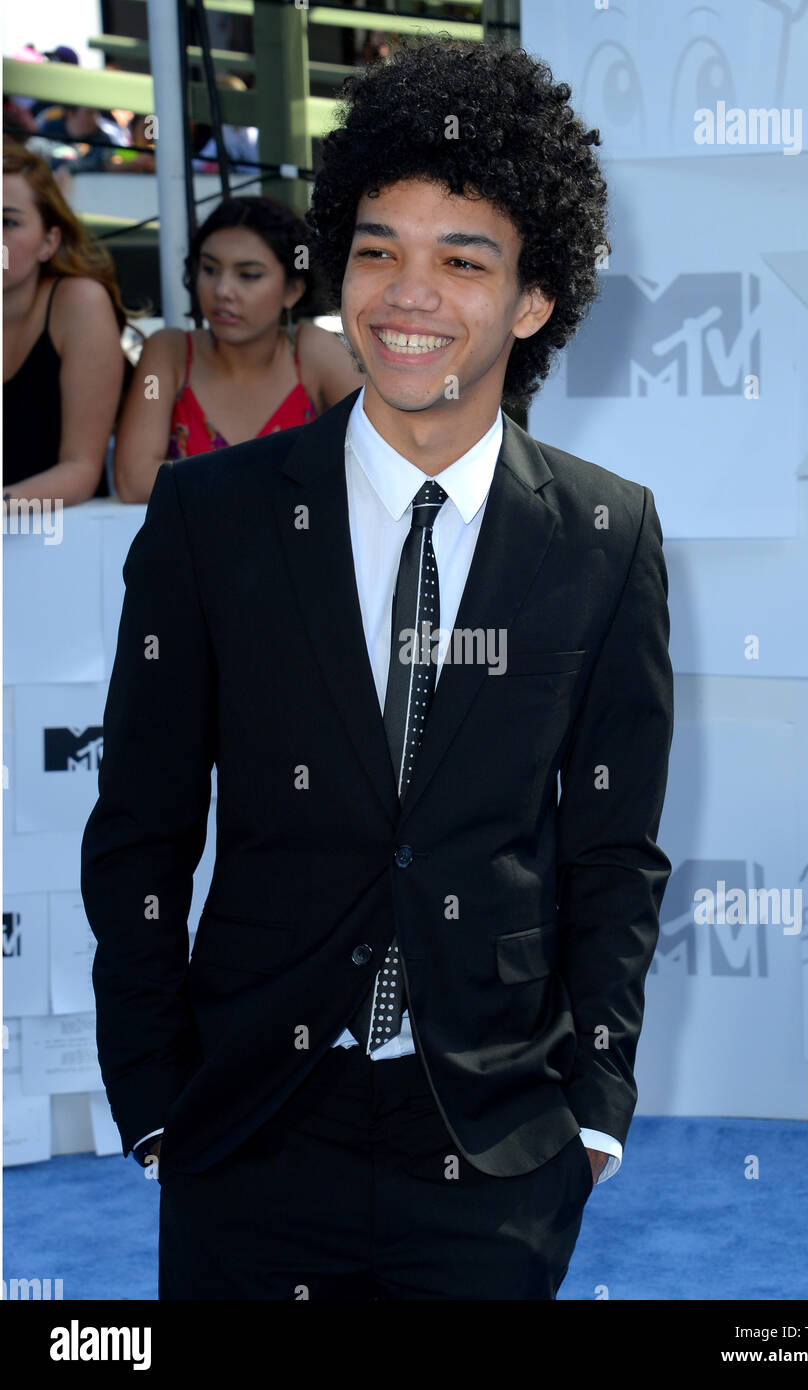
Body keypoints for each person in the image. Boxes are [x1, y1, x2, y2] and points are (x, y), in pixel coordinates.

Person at [82, 38, 674, 1300]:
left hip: (495, 1135)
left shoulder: (606, 534)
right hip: (246, 1122)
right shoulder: (210, 518)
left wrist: (597, 1103)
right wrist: (150, 1090)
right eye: (376, 251)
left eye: (462, 260)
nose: (408, 296)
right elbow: (137, 825)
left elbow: (612, 848)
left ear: (533, 300)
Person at [113, 195, 365, 503]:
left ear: (292, 290)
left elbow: (377, 456)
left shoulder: (312, 351)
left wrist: (212, 485)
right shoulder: (170, 352)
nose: (222, 291)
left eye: (248, 275)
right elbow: (133, 480)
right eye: (209, 269)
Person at [2, 138, 131, 506]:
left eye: (7, 221)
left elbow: (80, 470)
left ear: (49, 240)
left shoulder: (79, 302)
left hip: (63, 543)